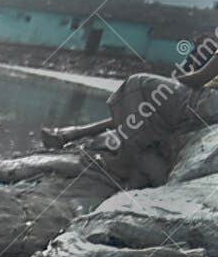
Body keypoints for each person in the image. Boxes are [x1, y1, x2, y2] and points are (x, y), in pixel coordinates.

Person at [41, 52, 218, 189]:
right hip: (210, 104)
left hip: (208, 103)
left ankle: (141, 157)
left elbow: (199, 78)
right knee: (144, 108)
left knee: (137, 82)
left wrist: (174, 81)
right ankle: (70, 134)